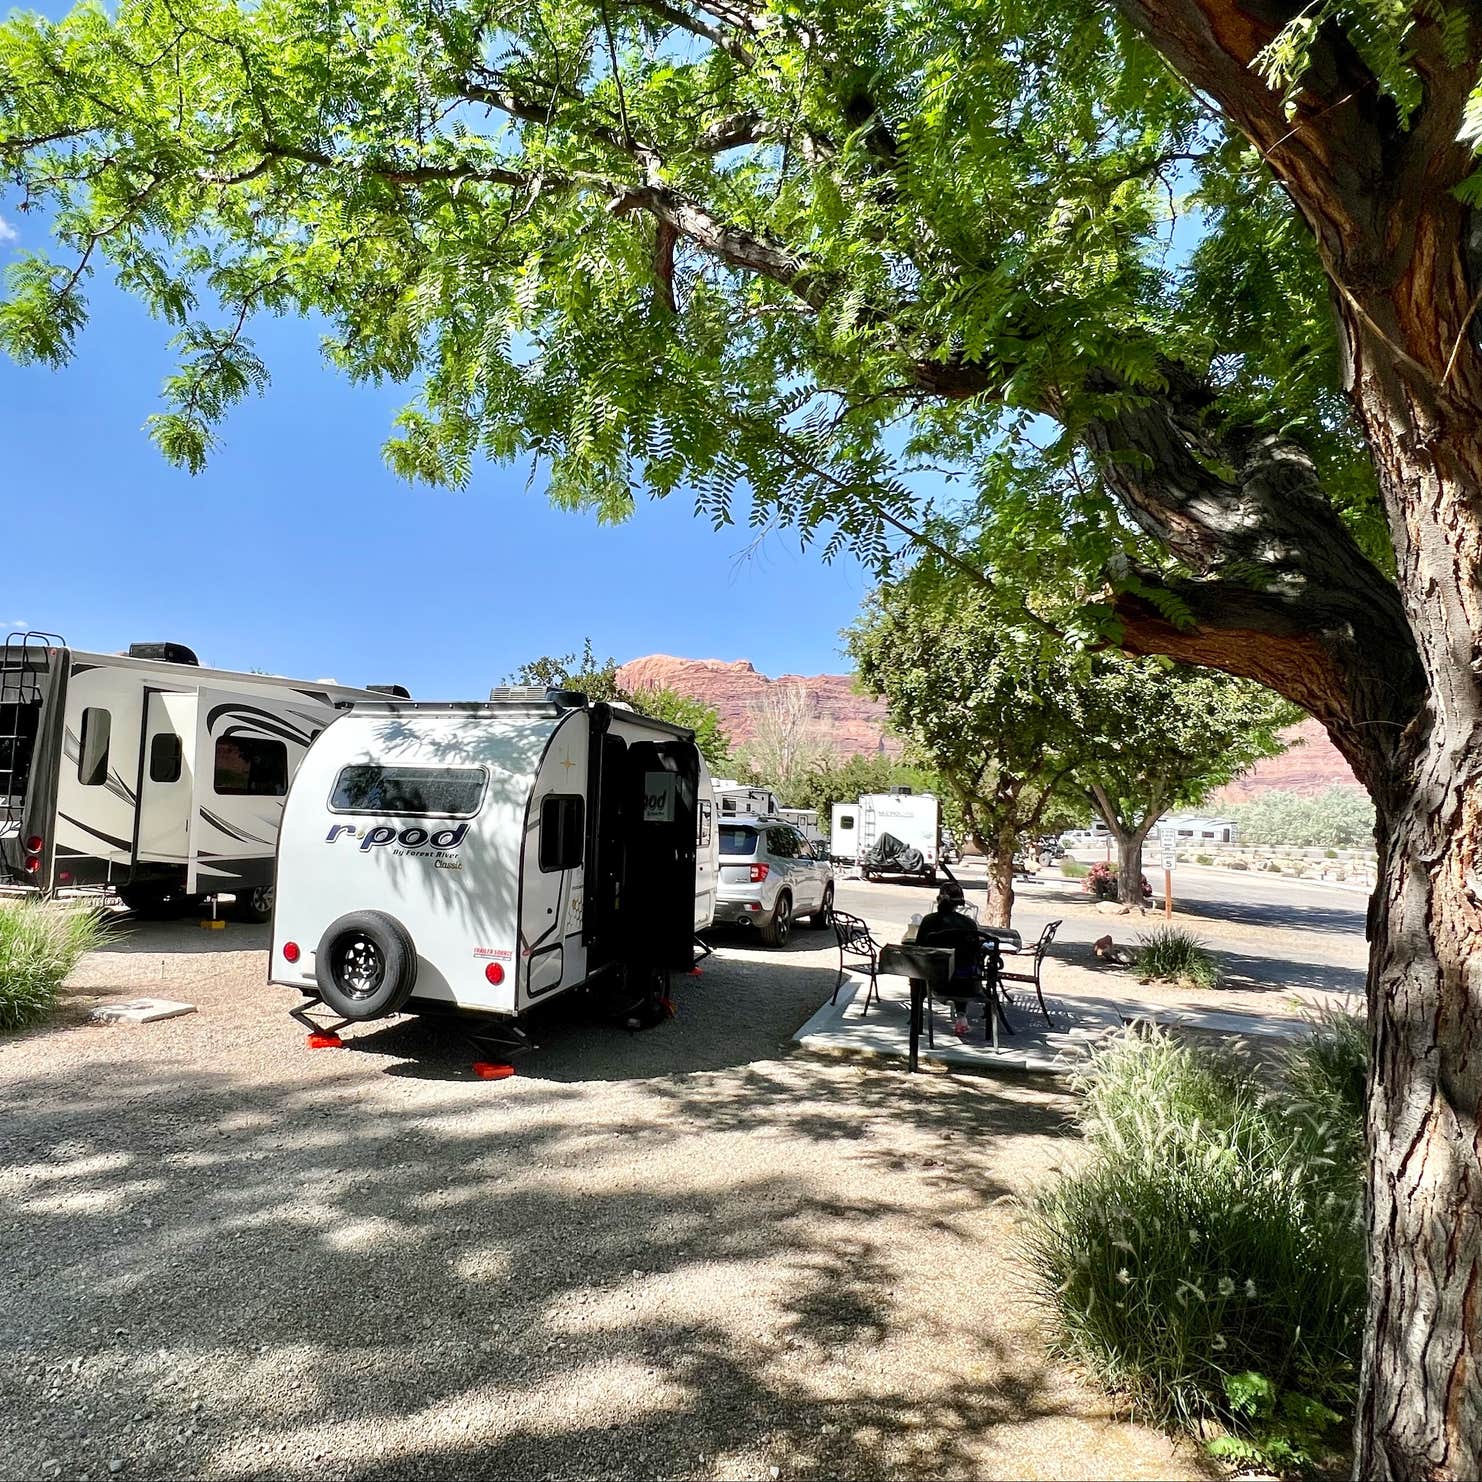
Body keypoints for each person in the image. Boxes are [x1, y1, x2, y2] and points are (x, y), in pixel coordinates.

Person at [914, 880, 990, 1037]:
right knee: (960, 967)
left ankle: (916, 1014)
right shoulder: (969, 924)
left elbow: (918, 949)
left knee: (920, 969)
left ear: (939, 899)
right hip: (968, 986)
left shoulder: (929, 921)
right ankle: (961, 1014)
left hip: (936, 985)